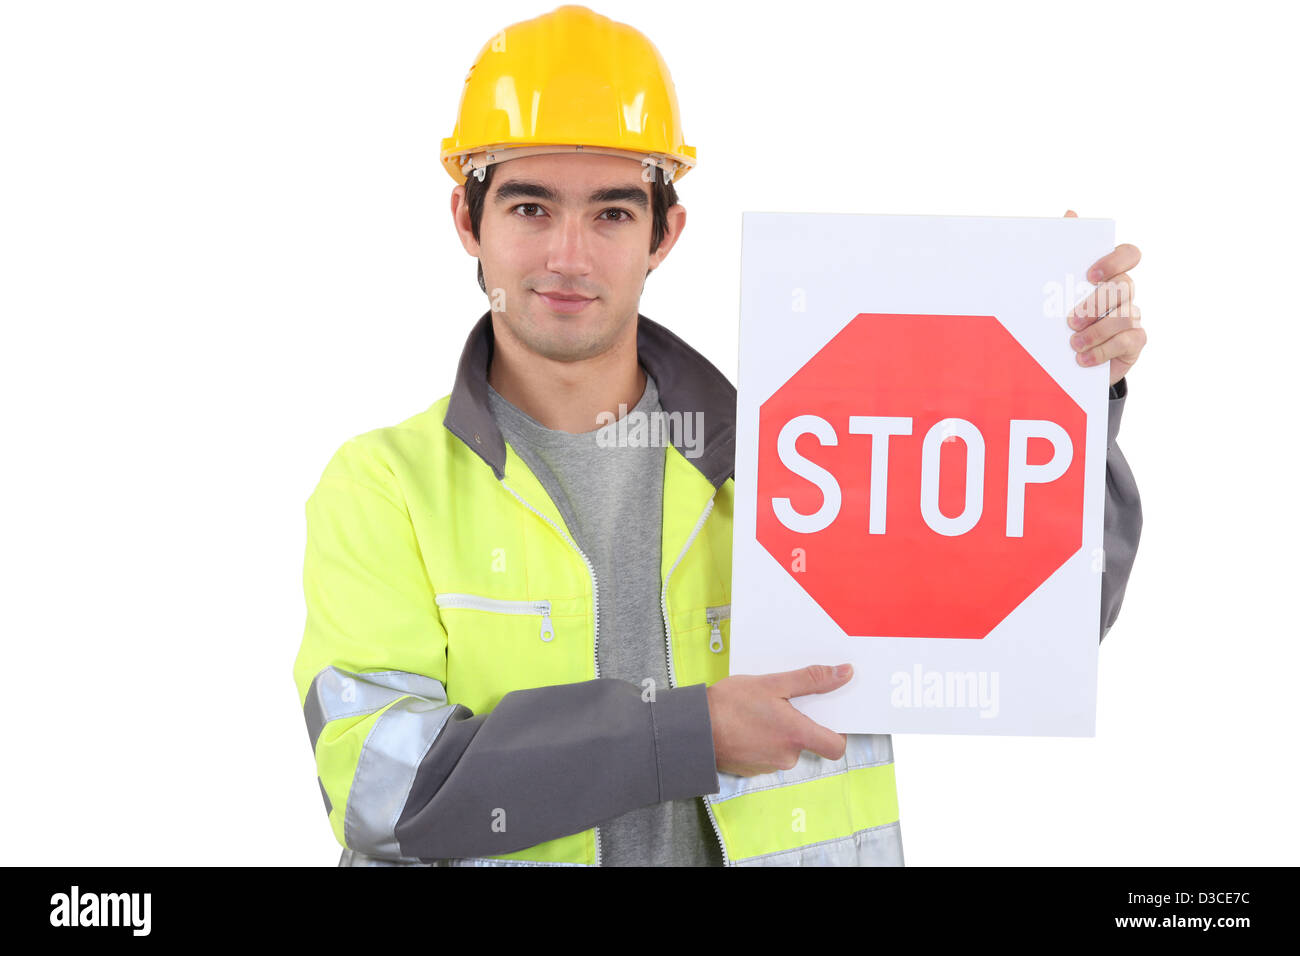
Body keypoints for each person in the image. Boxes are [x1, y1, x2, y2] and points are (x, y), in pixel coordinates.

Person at [292, 4, 1145, 867]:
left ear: (666, 232)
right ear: (468, 222)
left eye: (613, 213)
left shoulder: (802, 461)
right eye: (530, 207)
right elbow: (382, 789)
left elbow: (1049, 629)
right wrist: (682, 733)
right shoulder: (384, 487)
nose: (568, 256)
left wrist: (1065, 395)